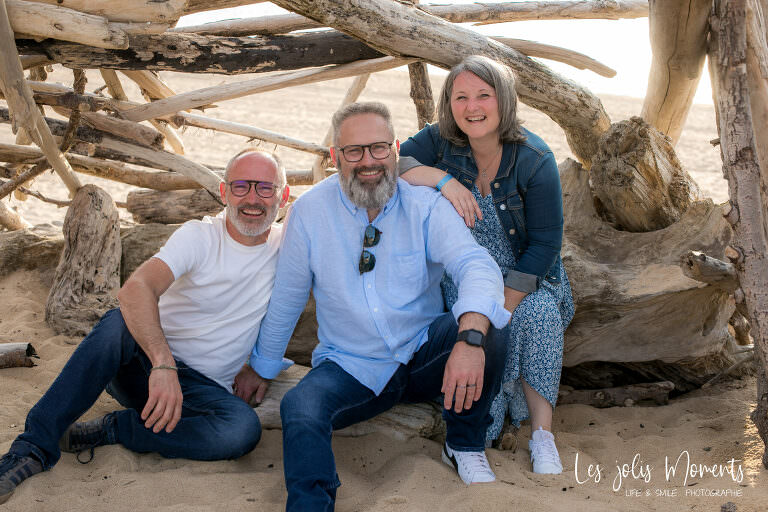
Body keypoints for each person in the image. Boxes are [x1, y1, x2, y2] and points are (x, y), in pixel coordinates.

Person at [242, 101, 511, 510]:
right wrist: (262, 367)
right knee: (301, 406)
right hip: (350, 365)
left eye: (379, 148)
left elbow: (474, 264)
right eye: (354, 151)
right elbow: (288, 298)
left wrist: (470, 341)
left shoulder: (425, 205)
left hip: (422, 353)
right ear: (335, 157)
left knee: (488, 325)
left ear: (396, 150)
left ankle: (463, 443)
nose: (368, 161)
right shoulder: (310, 213)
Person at [0, 150, 289, 505]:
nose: (252, 199)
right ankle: (32, 448)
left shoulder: (288, 246)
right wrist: (163, 363)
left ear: (283, 196)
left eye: (265, 188)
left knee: (240, 431)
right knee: (117, 324)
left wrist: (263, 365)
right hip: (144, 370)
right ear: (224, 191)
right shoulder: (200, 236)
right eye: (241, 186)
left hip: (201, 393)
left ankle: (113, 429)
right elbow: (136, 289)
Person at [398, 55, 575, 475]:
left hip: (526, 275)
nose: (472, 106)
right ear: (450, 103)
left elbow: (546, 245)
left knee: (539, 315)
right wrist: (443, 180)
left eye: (484, 95)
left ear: (505, 101)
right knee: (473, 322)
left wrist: (502, 305)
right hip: (464, 274)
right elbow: (396, 163)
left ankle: (541, 434)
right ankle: (474, 431)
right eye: (461, 96)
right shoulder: (439, 141)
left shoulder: (535, 158)